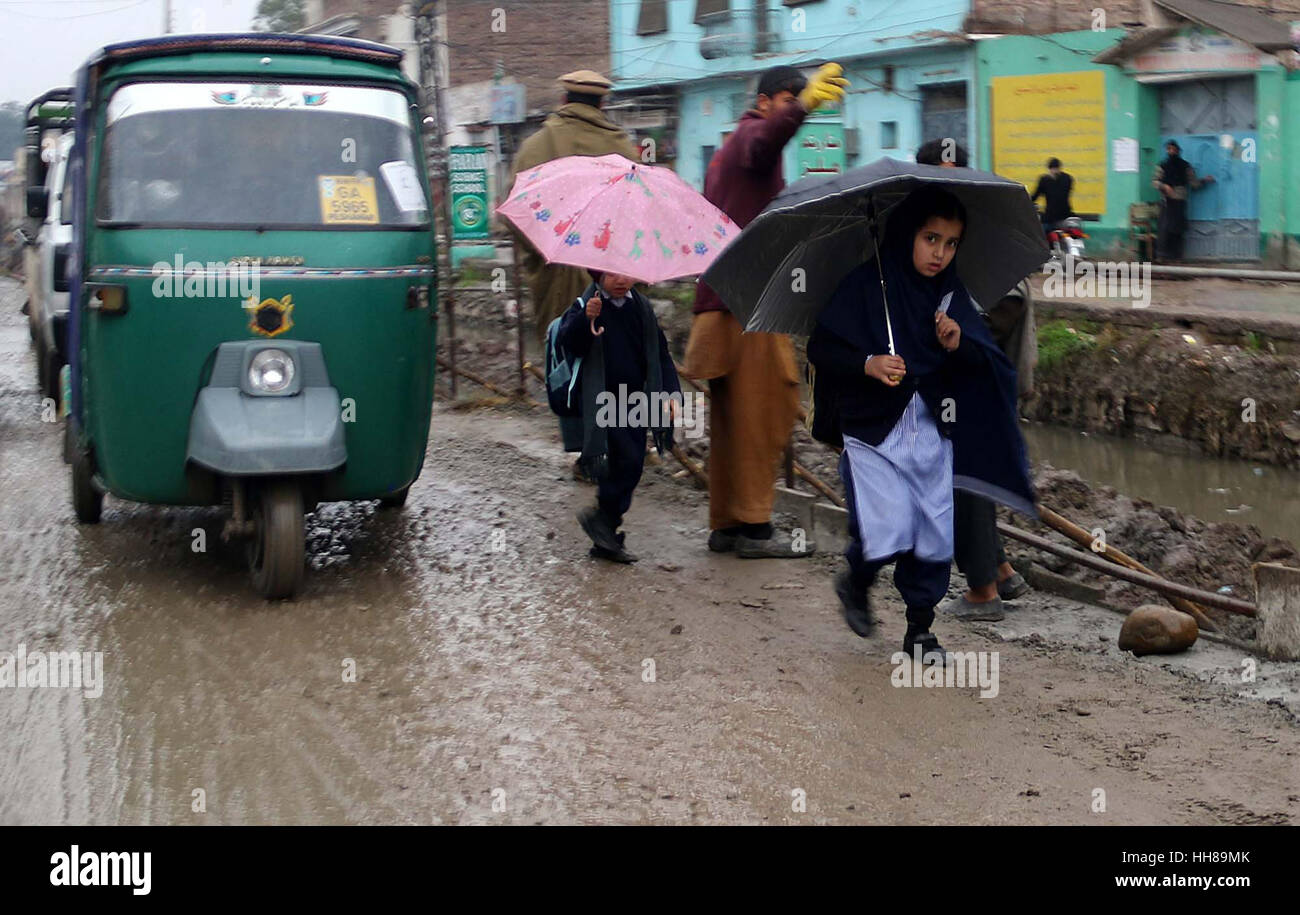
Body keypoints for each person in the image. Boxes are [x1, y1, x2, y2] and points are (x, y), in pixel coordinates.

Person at [807, 187, 1034, 660]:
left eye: (951, 243)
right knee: (886, 522)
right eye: (931, 238)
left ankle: (920, 631)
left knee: (932, 531)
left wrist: (957, 344)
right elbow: (823, 349)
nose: (940, 253)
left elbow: (985, 363)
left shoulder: (952, 296)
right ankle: (857, 580)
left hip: (933, 429)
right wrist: (868, 363)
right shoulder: (866, 287)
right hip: (873, 429)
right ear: (908, 233)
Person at [685, 62, 848, 559]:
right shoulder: (752, 138)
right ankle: (755, 527)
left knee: (733, 419)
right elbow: (766, 145)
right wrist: (802, 108)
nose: (795, 110)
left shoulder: (727, 152)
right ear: (764, 103)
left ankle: (727, 525)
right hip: (746, 305)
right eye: (787, 100)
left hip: (723, 300)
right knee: (769, 406)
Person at [914, 140, 1033, 620]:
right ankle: (1000, 569)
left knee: (961, 475)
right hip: (986, 363)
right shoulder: (964, 216)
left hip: (979, 363)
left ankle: (982, 589)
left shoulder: (957, 224)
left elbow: (997, 304)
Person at [557, 271, 680, 564]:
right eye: (612, 275)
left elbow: (660, 354)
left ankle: (605, 530)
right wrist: (586, 321)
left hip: (636, 399)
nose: (620, 280)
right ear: (598, 275)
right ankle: (604, 521)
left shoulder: (642, 309)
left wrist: (672, 393)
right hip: (601, 399)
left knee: (634, 462)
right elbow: (569, 343)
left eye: (626, 274)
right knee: (622, 458)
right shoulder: (588, 304)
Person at [508, 70, 638, 345]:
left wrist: (546, 249)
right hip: (612, 278)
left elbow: (515, 214)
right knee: (613, 363)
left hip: (555, 278)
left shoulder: (535, 147)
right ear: (602, 104)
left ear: (563, 99)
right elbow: (638, 217)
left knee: (564, 362)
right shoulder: (624, 150)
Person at [1153, 140, 1214, 262]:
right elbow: (1154, 182)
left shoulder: (1186, 166)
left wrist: (1205, 180)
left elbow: (1194, 183)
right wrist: (1164, 186)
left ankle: (1177, 257)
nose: (1171, 151)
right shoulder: (1162, 166)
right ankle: (1161, 256)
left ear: (1178, 151)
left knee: (1178, 230)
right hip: (1166, 202)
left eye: (1173, 149)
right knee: (1164, 229)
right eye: (1169, 149)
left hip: (1179, 201)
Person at [1030, 158, 1074, 232]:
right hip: (1067, 214)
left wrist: (1027, 201)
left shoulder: (1045, 180)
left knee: (1040, 232)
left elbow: (1035, 196)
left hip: (1051, 216)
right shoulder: (1068, 178)